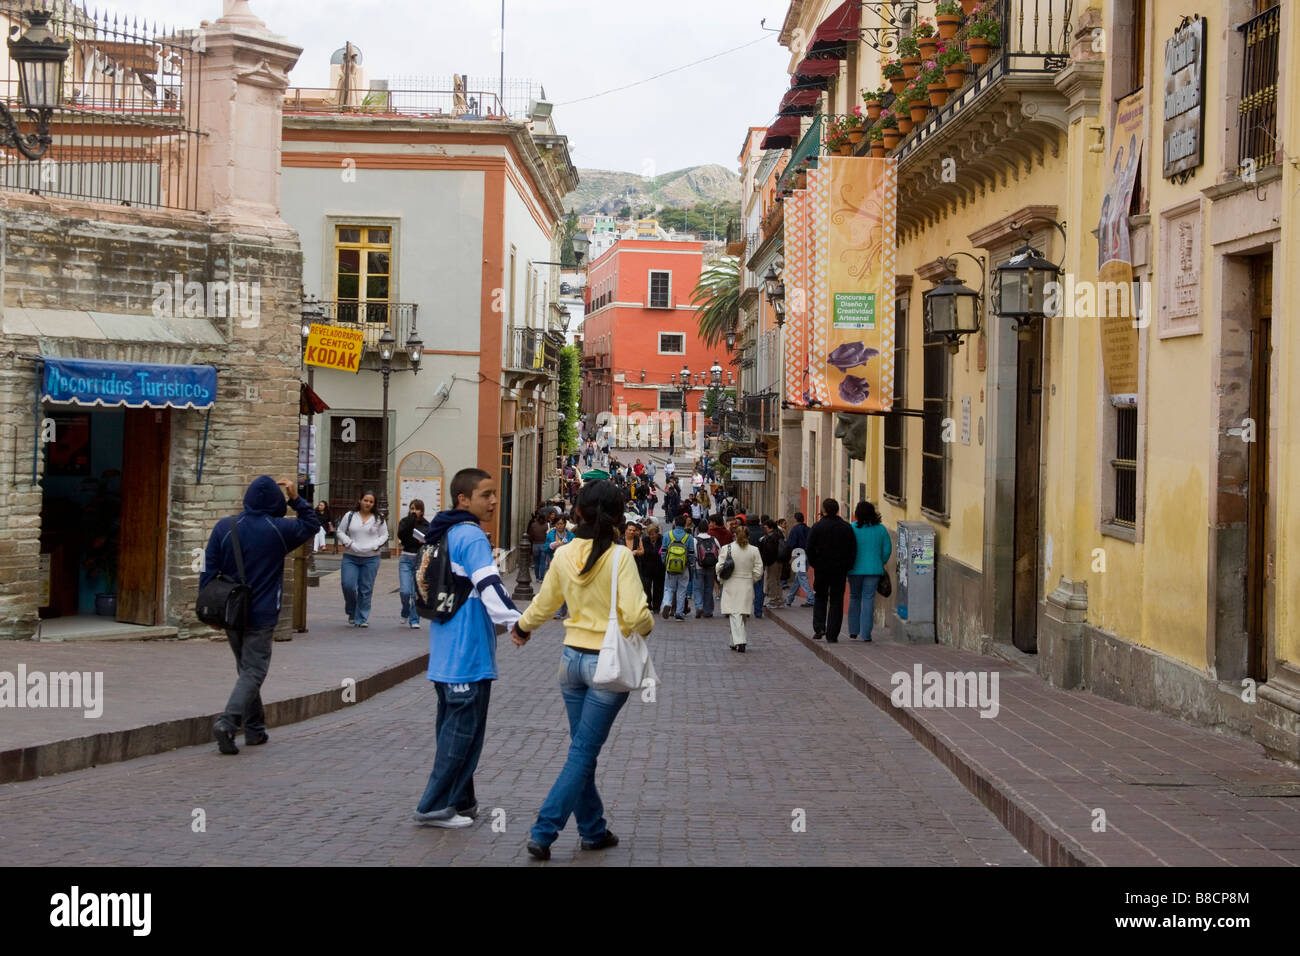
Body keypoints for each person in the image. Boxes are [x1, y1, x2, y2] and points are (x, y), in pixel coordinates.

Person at [511, 480, 655, 860]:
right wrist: (643, 630)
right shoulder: (620, 557)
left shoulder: (563, 554)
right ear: (617, 515)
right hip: (607, 669)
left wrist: (523, 627)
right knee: (581, 754)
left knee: (582, 751)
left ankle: (593, 829)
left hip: (570, 662)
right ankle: (544, 830)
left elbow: (544, 603)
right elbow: (638, 614)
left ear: (578, 512)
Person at [413, 468, 522, 828]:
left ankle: (462, 800)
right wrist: (515, 621)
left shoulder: (442, 531)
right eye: (486, 495)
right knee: (461, 735)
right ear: (464, 499)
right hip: (467, 654)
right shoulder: (471, 536)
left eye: (494, 494)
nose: (493, 501)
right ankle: (434, 806)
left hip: (446, 654)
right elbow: (489, 584)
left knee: (456, 730)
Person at [203, 475, 319, 754]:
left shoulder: (224, 527)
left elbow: (208, 572)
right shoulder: (278, 529)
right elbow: (312, 525)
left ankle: (255, 730)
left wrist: (210, 613)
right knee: (254, 671)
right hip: (262, 612)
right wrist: (295, 497)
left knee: (247, 670)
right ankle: (228, 721)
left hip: (229, 611)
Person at [806, 498, 857, 642]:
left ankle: (819, 627)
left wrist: (815, 563)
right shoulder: (846, 527)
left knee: (820, 597)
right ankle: (832, 634)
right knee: (836, 600)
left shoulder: (817, 527)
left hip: (822, 568)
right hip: (839, 570)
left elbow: (809, 548)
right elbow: (852, 549)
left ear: (824, 510)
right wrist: (847, 566)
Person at [336, 491, 388, 628]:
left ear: (374, 504)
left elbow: (384, 535)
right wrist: (349, 543)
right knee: (348, 585)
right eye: (366, 500)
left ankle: (361, 618)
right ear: (360, 500)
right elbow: (340, 531)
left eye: (371, 502)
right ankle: (352, 611)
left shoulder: (379, 518)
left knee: (366, 589)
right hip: (351, 556)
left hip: (371, 558)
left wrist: (375, 545)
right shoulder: (350, 515)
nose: (368, 503)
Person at [848, 501, 893, 642]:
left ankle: (853, 631)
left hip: (854, 569)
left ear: (857, 513)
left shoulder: (852, 528)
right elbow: (887, 550)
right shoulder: (881, 529)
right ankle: (866, 634)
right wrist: (881, 561)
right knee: (868, 599)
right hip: (874, 569)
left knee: (854, 597)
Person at [719, 525, 764, 653]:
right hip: (746, 583)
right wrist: (752, 579)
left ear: (735, 535)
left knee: (735, 613)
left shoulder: (727, 548)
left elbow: (720, 567)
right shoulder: (754, 550)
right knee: (742, 613)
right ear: (748, 536)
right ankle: (733, 641)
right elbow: (759, 569)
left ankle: (740, 641)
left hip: (731, 583)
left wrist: (721, 579)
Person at [397, 499, 430, 629]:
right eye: (412, 508)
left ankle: (414, 619)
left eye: (417, 509)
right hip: (406, 559)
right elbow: (402, 535)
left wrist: (424, 541)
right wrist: (411, 520)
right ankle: (405, 610)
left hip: (419, 560)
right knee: (405, 591)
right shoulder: (405, 522)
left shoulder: (426, 525)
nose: (414, 511)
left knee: (415, 593)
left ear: (422, 511)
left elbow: (430, 540)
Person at [659, 515, 694, 621]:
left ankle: (667, 603)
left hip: (670, 568)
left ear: (674, 523)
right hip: (683, 568)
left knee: (669, 588)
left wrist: (665, 563)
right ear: (685, 524)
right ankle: (679, 613)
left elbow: (663, 551)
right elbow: (691, 554)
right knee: (682, 590)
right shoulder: (689, 537)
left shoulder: (667, 535)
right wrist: (689, 564)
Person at [783, 512, 813, 607]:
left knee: (801, 576)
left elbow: (790, 544)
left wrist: (788, 557)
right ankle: (789, 599)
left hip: (799, 554)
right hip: (808, 554)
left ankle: (812, 598)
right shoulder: (808, 529)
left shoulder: (795, 530)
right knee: (798, 578)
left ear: (795, 519)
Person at [693, 520, 719, 618]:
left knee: (697, 589)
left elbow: (692, 553)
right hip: (711, 567)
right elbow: (719, 551)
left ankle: (699, 606)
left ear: (698, 529)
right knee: (708, 589)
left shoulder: (695, 540)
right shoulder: (713, 539)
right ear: (708, 529)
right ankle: (707, 611)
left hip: (698, 567)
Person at [759, 518, 786, 609]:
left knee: (772, 581)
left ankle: (774, 600)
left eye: (766, 527)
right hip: (779, 561)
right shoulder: (779, 534)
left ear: (770, 528)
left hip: (772, 562)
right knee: (777, 580)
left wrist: (766, 562)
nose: (764, 529)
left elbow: (769, 551)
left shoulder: (771, 537)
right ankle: (779, 599)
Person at [639, 521, 665, 611]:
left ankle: (657, 606)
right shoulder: (644, 541)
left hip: (659, 569)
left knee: (658, 589)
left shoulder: (662, 540)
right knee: (646, 588)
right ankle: (648, 604)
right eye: (650, 534)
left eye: (653, 534)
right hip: (647, 569)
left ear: (657, 533)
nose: (652, 536)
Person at [528, 509, 551, 581]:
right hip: (543, 544)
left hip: (535, 544)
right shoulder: (547, 525)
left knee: (536, 562)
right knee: (542, 562)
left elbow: (530, 535)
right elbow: (548, 536)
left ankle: (537, 577)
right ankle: (542, 578)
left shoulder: (533, 525)